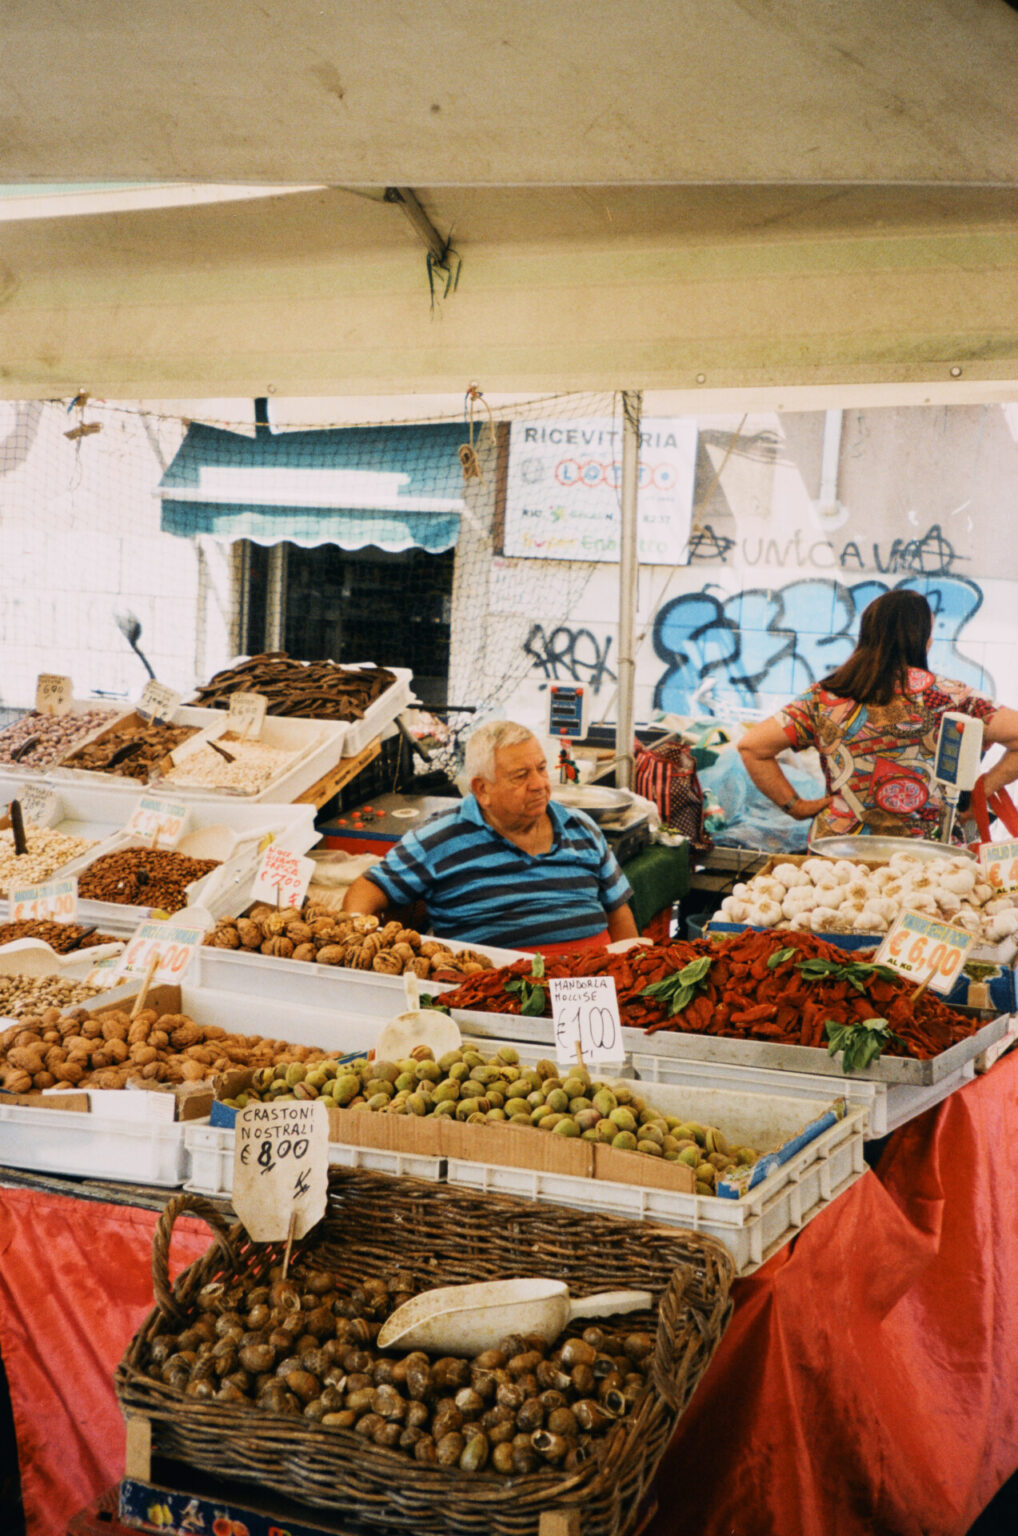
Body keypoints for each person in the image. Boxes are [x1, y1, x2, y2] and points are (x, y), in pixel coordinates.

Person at [736, 589, 1018, 844]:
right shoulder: (954, 698)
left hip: (839, 854)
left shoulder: (825, 697)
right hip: (927, 855)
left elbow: (752, 747)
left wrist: (796, 807)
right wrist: (981, 792)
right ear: (921, 639)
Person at [341, 719, 640, 949]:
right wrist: (355, 934)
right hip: (489, 994)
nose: (539, 784)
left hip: (588, 996)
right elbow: (368, 887)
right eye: (521, 776)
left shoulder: (582, 828)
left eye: (540, 769)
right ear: (482, 789)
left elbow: (618, 912)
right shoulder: (439, 837)